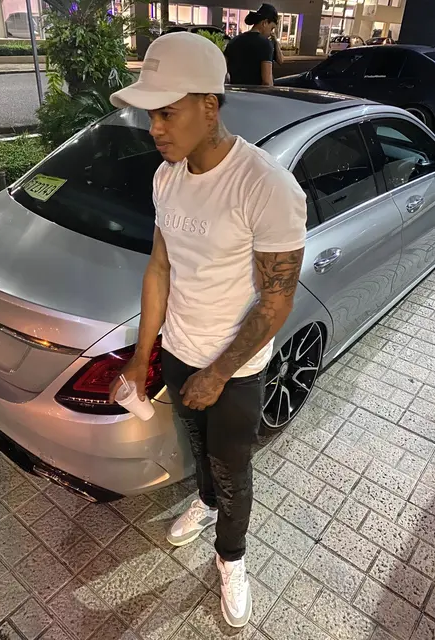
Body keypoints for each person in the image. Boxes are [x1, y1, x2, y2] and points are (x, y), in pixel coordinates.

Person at [109, 31, 306, 628]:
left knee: (232, 467)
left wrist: (219, 373)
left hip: (236, 368)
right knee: (199, 451)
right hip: (179, 350)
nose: (155, 129)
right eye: (151, 115)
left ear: (209, 106)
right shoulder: (167, 178)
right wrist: (142, 356)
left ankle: (232, 557)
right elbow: (160, 268)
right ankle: (204, 502)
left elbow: (277, 299)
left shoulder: (265, 186)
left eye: (167, 113)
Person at [225, 3, 282, 86]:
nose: (271, 32)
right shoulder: (265, 44)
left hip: (235, 91)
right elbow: (267, 81)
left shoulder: (234, 41)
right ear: (265, 23)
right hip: (255, 92)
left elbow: (224, 70)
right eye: (271, 28)